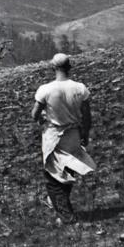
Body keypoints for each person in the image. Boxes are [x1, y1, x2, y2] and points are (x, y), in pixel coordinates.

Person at [31, 53, 95, 225]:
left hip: (54, 135)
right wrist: (85, 134)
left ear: (53, 67)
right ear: (69, 67)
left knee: (53, 177)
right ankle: (59, 205)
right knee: (68, 170)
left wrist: (40, 120)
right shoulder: (80, 88)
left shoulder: (45, 89)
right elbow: (87, 116)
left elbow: (34, 114)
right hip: (73, 134)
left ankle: (66, 216)